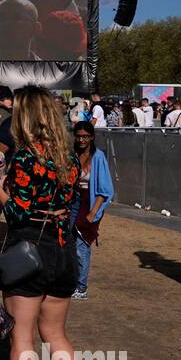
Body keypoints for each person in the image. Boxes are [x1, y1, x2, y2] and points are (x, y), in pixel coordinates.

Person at [0, 85, 87, 360]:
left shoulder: (27, 158)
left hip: (31, 249)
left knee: (22, 339)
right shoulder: (70, 157)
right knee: (57, 335)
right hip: (63, 250)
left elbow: (17, 212)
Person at [68, 121, 113, 301]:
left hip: (90, 201)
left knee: (82, 244)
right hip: (71, 199)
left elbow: (105, 190)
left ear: (92, 137)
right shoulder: (71, 155)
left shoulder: (98, 157)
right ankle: (71, 280)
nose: (81, 140)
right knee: (68, 241)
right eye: (78, 136)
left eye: (85, 136)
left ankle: (81, 286)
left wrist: (94, 213)